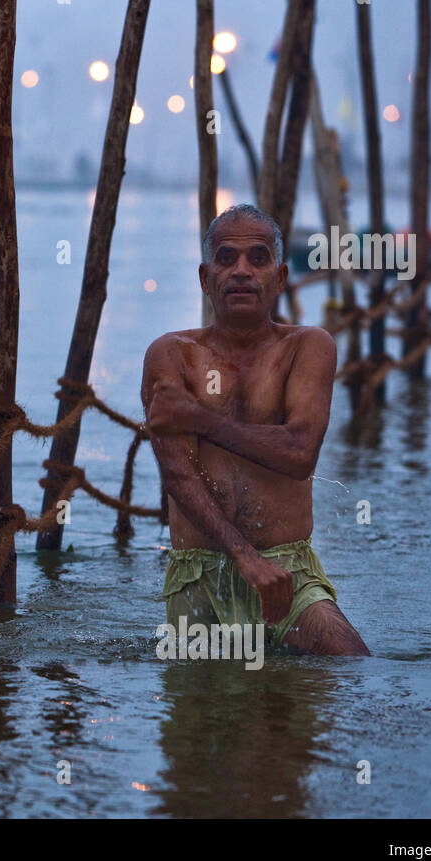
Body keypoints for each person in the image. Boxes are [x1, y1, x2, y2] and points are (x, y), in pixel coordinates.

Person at [141, 203, 369, 656]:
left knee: (349, 663)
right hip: (199, 572)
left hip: (288, 572)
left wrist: (200, 418)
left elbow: (300, 452)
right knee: (208, 715)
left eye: (258, 258)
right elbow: (179, 475)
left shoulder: (308, 347)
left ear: (280, 278)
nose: (241, 270)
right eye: (227, 258)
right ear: (206, 279)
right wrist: (244, 557)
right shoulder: (171, 354)